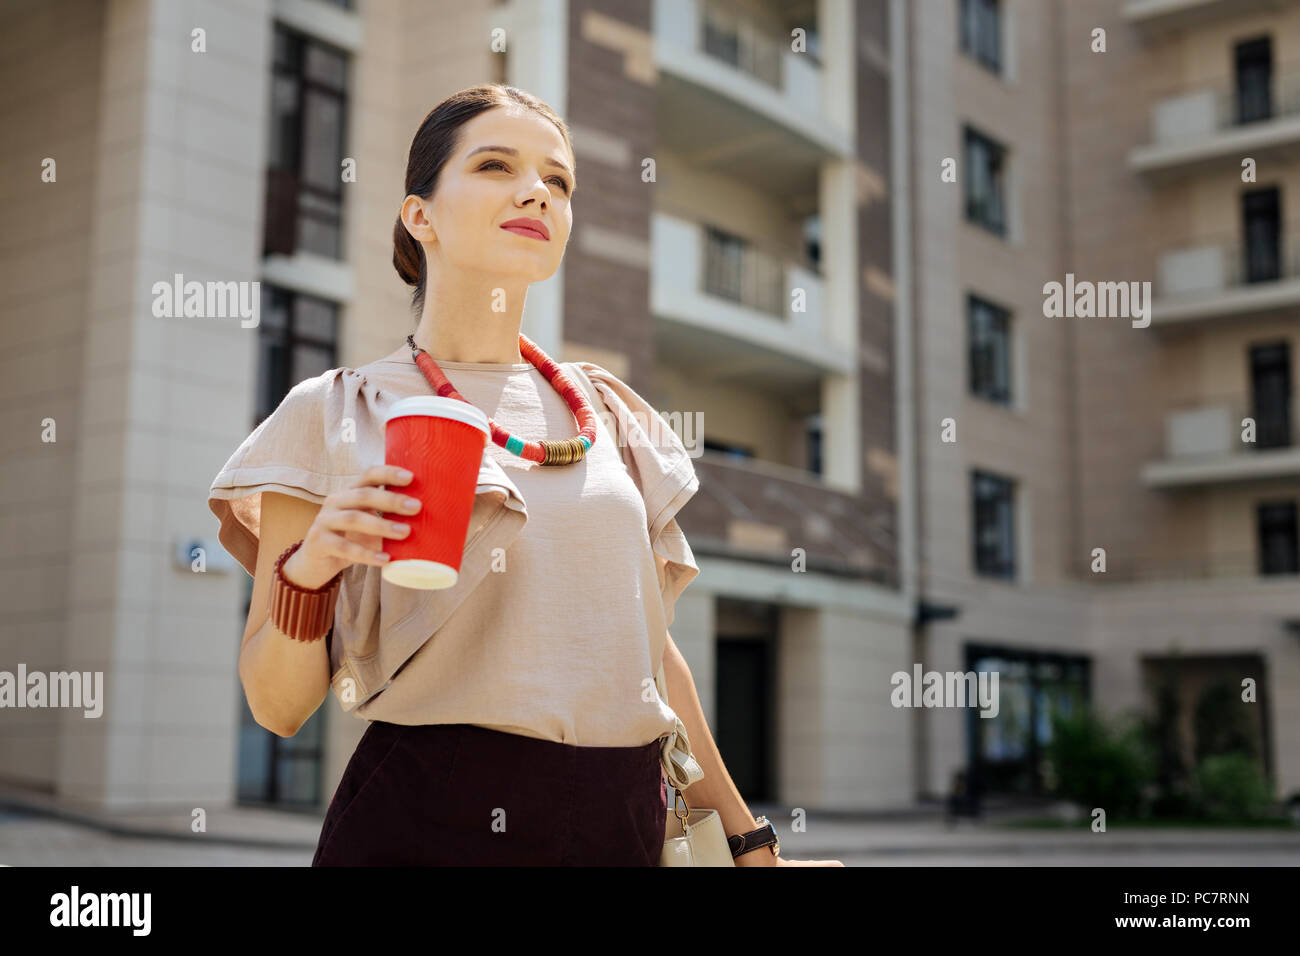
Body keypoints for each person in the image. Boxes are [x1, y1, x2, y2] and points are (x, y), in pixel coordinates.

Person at [208, 84, 842, 866]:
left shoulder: (605, 412)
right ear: (421, 215)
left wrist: (749, 842)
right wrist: (316, 565)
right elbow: (277, 707)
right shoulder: (336, 410)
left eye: (559, 180)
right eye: (495, 164)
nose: (535, 190)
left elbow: (649, 655)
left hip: (624, 823)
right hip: (431, 820)